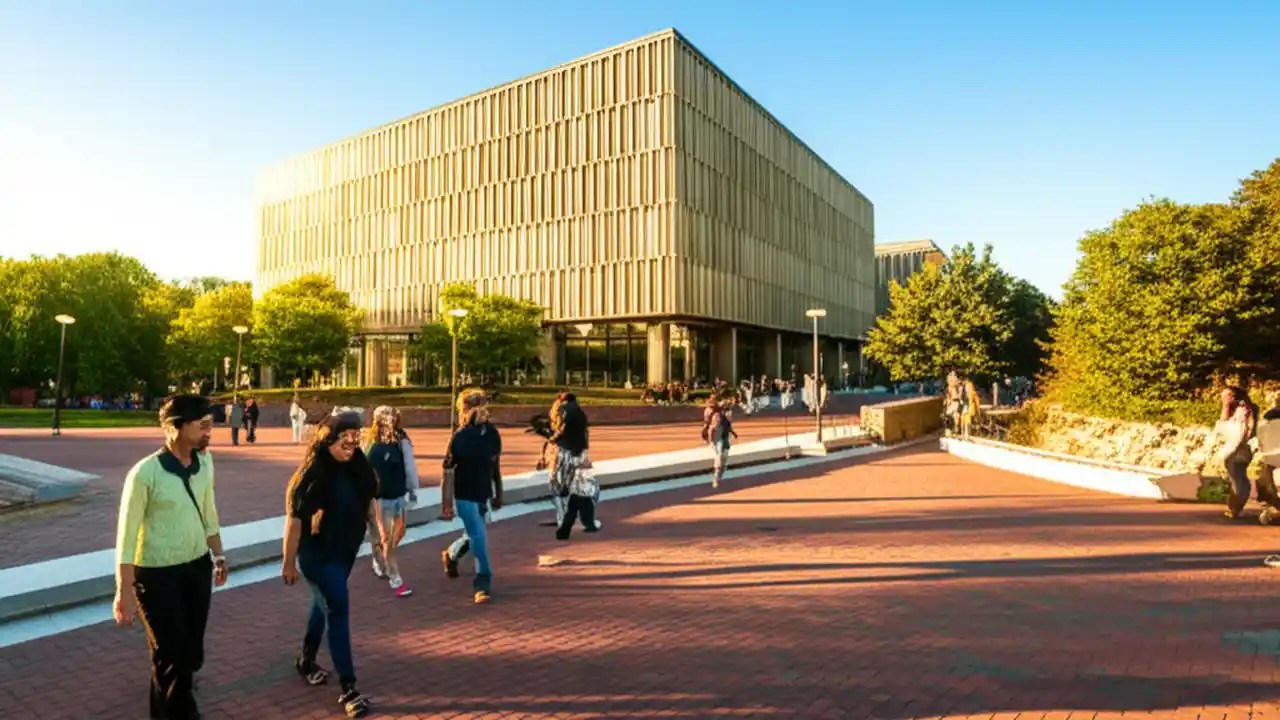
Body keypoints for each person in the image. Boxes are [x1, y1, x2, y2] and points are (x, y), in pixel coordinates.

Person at [114, 395, 228, 720]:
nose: (210, 431)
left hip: (196, 568)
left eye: (211, 424)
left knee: (187, 654)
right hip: (155, 575)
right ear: (174, 427)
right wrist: (124, 589)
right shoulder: (144, 474)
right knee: (174, 658)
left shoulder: (205, 463)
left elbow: (209, 512)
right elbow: (125, 536)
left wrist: (218, 555)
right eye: (202, 425)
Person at [281, 410, 375, 718]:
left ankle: (306, 660)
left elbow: (370, 502)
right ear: (328, 441)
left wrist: (380, 536)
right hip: (318, 555)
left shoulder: (358, 467)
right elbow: (295, 523)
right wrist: (288, 562)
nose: (351, 445)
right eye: (344, 440)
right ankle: (349, 688)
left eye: (355, 438)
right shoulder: (312, 476)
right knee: (338, 607)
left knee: (323, 605)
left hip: (345, 550)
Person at [441, 391, 504, 603]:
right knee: (479, 536)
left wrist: (498, 492)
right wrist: (446, 501)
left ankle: (451, 553)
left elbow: (495, 465)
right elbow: (448, 469)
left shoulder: (492, 434)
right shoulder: (460, 436)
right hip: (465, 494)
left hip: (483, 492)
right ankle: (482, 581)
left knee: (472, 534)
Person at [364, 405, 418, 597]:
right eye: (387, 417)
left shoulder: (400, 442)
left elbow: (408, 468)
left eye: (394, 417)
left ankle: (381, 557)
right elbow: (365, 473)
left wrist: (412, 489)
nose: (391, 420)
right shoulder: (372, 446)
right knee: (386, 539)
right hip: (381, 499)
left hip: (398, 496)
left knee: (398, 533)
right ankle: (395, 578)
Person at [544, 392, 600, 539]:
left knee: (565, 489)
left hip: (565, 452)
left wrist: (551, 438)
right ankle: (584, 523)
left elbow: (562, 431)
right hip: (578, 453)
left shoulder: (565, 410)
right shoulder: (580, 412)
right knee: (580, 491)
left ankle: (564, 523)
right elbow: (584, 434)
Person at [1217, 386, 1261, 520]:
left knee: (1238, 480)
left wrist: (1227, 452)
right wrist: (1225, 407)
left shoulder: (1242, 411)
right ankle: (1234, 507)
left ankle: (1235, 509)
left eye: (1227, 396)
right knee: (1236, 478)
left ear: (1235, 397)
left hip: (1237, 451)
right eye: (1222, 396)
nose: (1223, 399)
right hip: (1236, 449)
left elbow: (1240, 434)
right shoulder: (1237, 410)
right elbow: (1222, 424)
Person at [702, 397, 738, 488]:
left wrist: (733, 433)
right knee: (720, 457)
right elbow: (711, 429)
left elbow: (728, 426)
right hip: (718, 439)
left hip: (725, 438)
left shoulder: (726, 417)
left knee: (724, 460)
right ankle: (716, 477)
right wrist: (711, 442)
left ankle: (718, 477)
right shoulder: (717, 417)